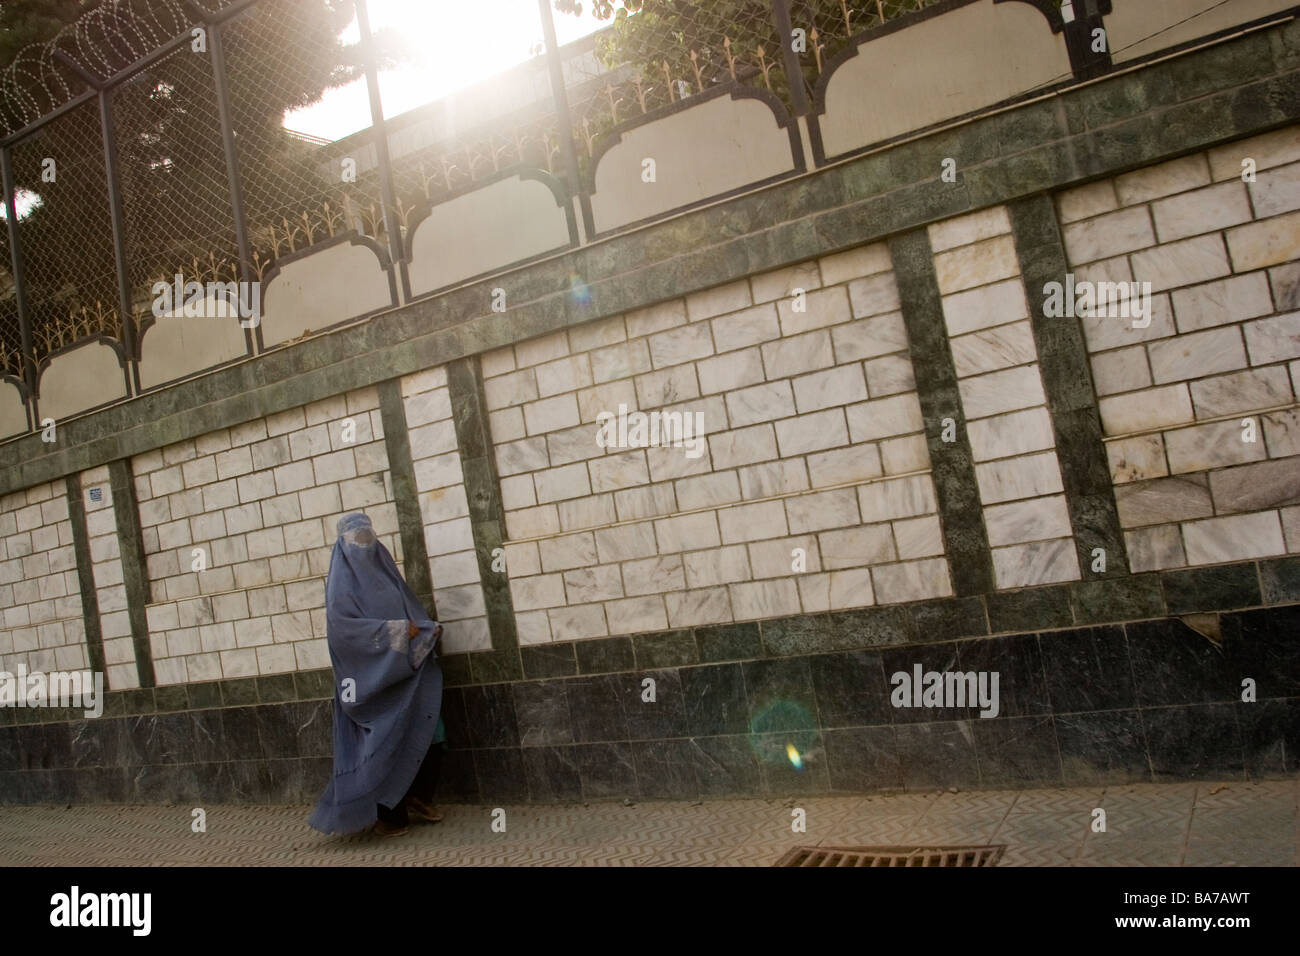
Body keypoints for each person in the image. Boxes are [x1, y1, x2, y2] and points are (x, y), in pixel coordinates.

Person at [308, 512, 448, 837]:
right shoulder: (341, 590)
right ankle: (390, 816)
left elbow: (410, 610)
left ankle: (417, 795)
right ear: (343, 546)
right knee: (380, 747)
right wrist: (395, 632)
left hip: (407, 679)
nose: (364, 546)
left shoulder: (387, 573)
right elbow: (343, 634)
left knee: (433, 734)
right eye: (357, 540)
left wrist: (425, 631)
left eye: (368, 538)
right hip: (369, 684)